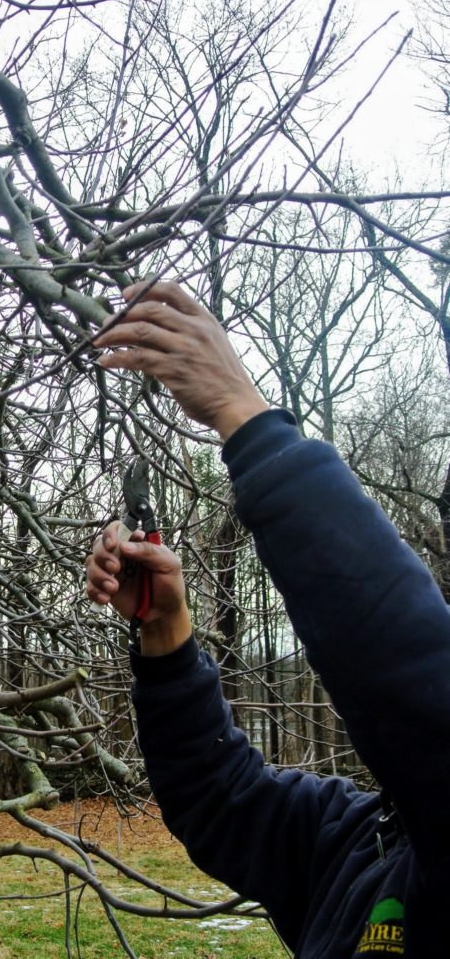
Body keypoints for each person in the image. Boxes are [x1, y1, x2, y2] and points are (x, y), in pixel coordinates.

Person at [86, 281, 450, 957]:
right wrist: (166, 635)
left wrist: (245, 417)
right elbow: (223, 799)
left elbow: (410, 672)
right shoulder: (363, 839)